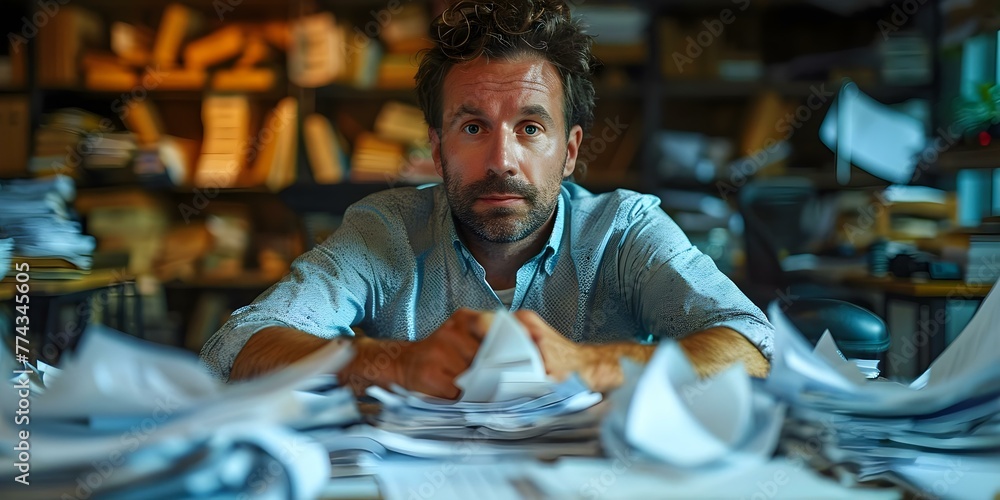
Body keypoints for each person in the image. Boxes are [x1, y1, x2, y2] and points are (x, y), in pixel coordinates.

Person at [201, 0, 773, 398]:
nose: (501, 161)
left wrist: (587, 364)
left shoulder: (623, 230)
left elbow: (753, 347)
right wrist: (399, 363)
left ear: (570, 151)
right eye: (473, 128)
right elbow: (237, 347)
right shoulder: (386, 230)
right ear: (436, 147)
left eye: (529, 128)